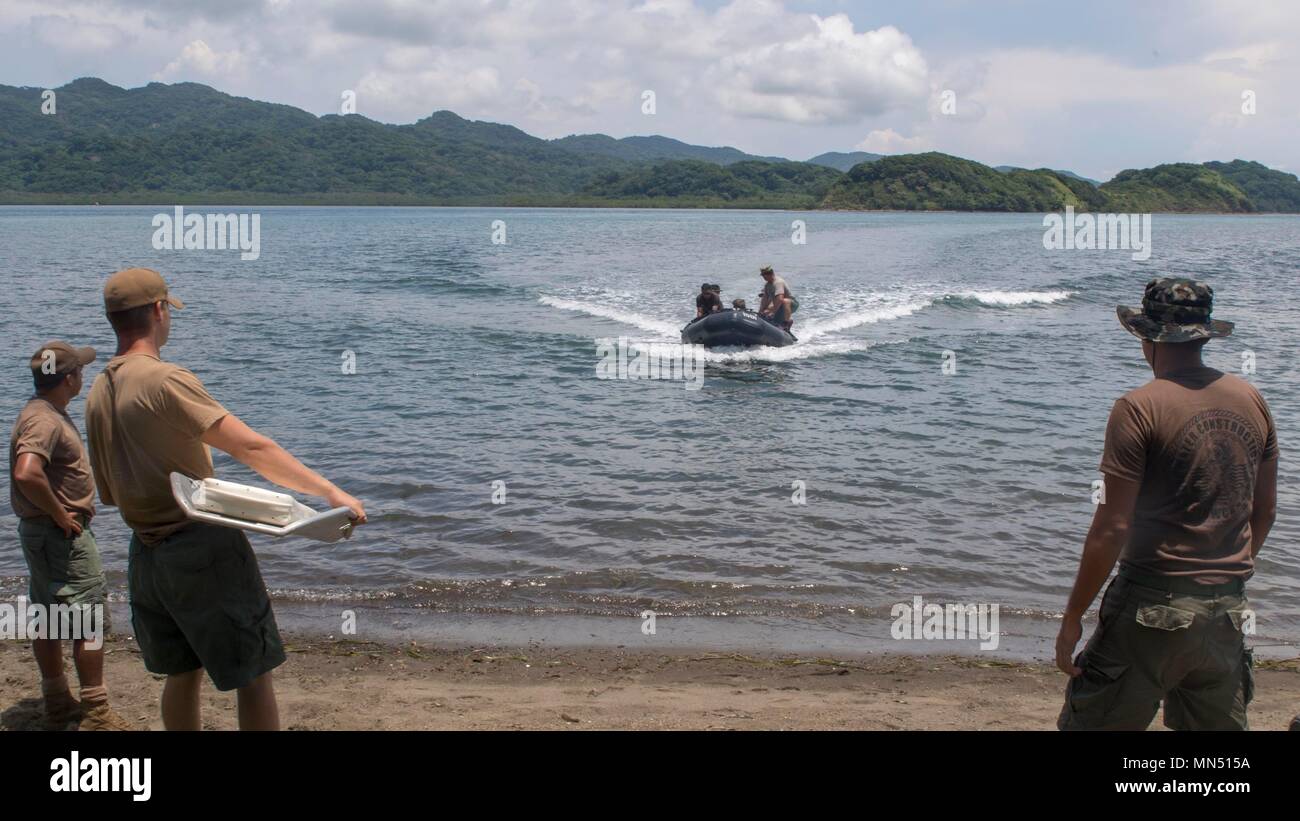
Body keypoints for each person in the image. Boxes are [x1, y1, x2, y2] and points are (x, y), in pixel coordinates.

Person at [84, 268, 368, 731]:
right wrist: (330, 493)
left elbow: (111, 492)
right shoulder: (163, 380)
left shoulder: (98, 389)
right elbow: (251, 448)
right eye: (167, 312)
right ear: (159, 311)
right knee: (253, 673)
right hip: (200, 547)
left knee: (181, 673)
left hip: (146, 554)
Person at [1055, 278, 1277, 731]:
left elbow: (1112, 527)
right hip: (1228, 612)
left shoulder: (1138, 407)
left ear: (1146, 336)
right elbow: (1265, 510)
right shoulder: (1252, 399)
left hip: (1151, 605)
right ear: (1205, 335)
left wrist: (1073, 617)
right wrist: (1226, 574)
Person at [10, 341, 133, 730]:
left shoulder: (38, 411)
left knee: (48, 616)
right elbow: (26, 472)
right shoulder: (45, 420)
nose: (83, 375)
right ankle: (95, 710)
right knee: (87, 619)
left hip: (41, 533)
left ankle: (57, 701)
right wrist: (61, 514)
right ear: (69, 379)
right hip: (60, 535)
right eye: (79, 370)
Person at [758, 266, 798, 330]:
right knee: (767, 313)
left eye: (766, 275)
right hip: (778, 304)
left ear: (771, 273)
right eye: (763, 275)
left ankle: (787, 322)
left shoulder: (778, 282)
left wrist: (773, 312)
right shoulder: (767, 285)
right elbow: (765, 299)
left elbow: (780, 298)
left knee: (784, 301)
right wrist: (761, 311)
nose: (764, 277)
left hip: (791, 304)